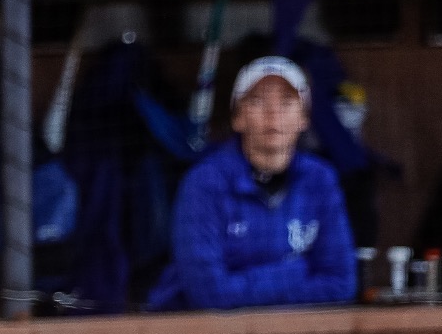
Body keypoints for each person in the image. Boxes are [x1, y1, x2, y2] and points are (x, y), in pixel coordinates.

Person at [147, 56, 356, 311]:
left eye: (287, 102)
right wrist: (295, 272)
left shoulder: (320, 178)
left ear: (304, 119)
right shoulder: (203, 182)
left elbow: (341, 284)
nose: (273, 114)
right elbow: (209, 295)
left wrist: (245, 282)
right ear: (238, 118)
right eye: (257, 101)